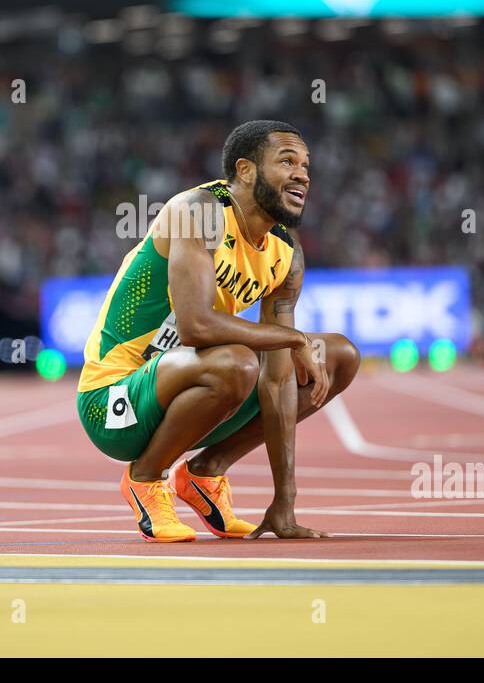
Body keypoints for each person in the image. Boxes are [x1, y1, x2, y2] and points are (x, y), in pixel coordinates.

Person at [76, 120, 361, 542]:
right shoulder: (199, 211)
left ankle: (205, 473)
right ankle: (144, 478)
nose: (303, 174)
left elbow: (280, 375)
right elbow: (195, 325)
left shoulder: (287, 253)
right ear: (245, 171)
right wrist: (295, 338)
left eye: (306, 165)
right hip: (113, 403)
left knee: (338, 355)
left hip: (193, 392)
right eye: (287, 161)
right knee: (238, 362)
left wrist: (284, 503)